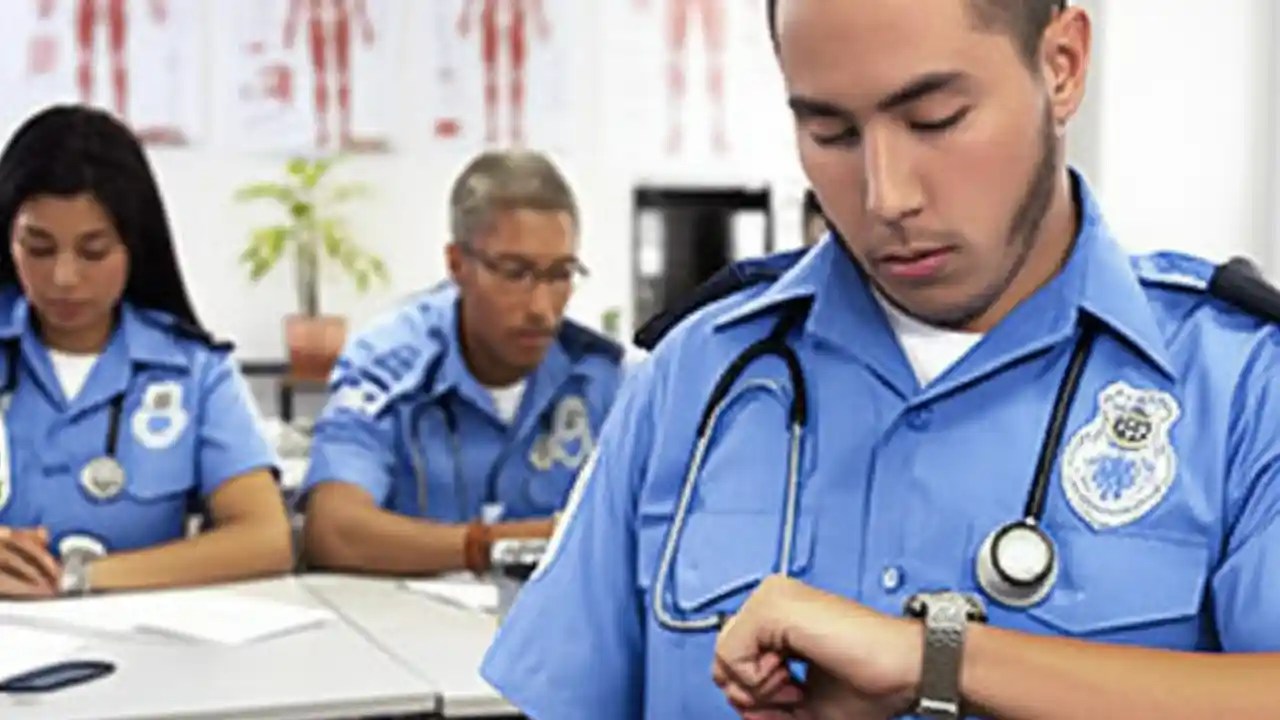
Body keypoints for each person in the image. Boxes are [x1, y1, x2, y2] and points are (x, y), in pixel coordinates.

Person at [481, 1, 1280, 718]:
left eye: (935, 119)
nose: (885, 195)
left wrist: (937, 659)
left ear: (1062, 66)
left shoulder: (1238, 385)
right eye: (830, 133)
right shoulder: (695, 378)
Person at [0, 105, 292, 600]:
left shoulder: (193, 371)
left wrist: (78, 578)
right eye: (39, 249)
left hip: (146, 654)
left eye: (93, 252)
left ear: (135, 247)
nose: (64, 278)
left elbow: (265, 538)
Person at [301, 149, 624, 578]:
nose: (542, 308)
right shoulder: (388, 365)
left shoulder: (602, 379)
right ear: (457, 264)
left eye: (560, 274)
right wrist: (496, 546)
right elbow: (334, 530)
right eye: (515, 272)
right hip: (404, 633)